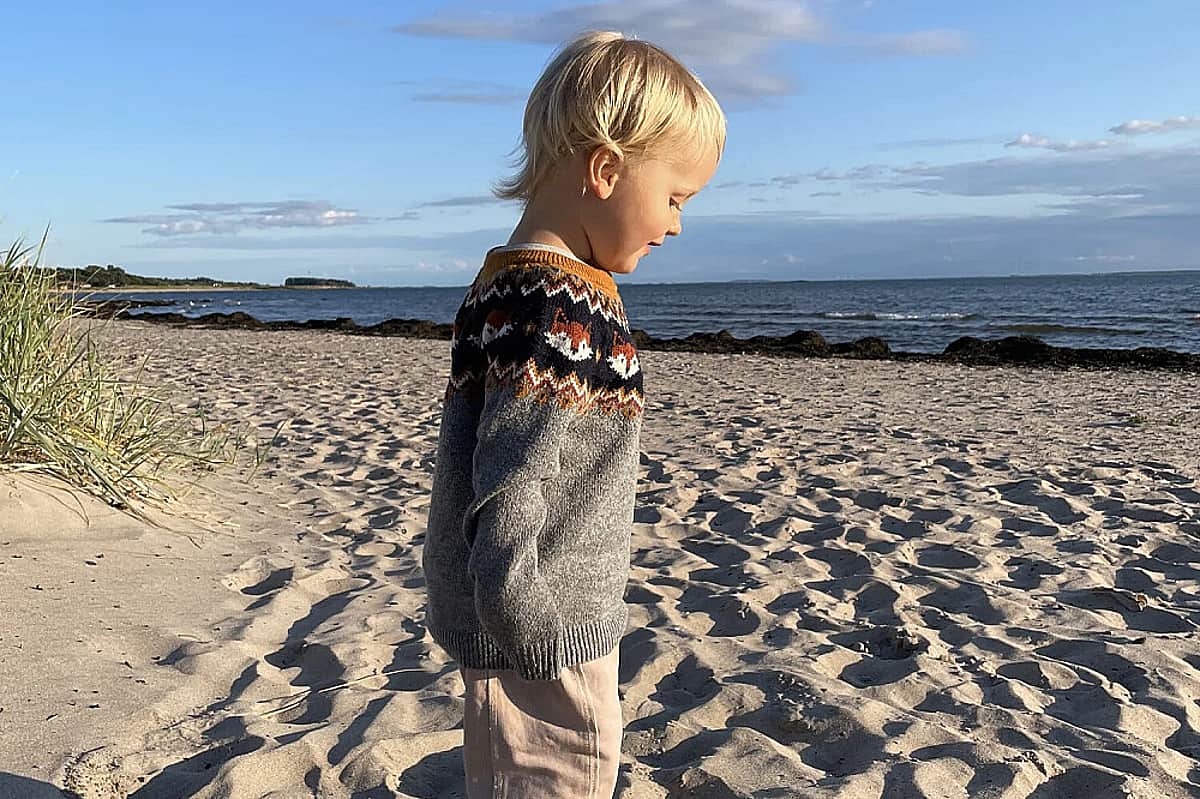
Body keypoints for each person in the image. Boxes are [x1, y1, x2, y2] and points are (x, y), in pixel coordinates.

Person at [422, 30, 724, 798]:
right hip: (540, 619)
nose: (677, 224)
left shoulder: (507, 285)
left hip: (523, 607)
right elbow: (511, 471)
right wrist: (529, 622)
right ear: (605, 168)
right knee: (559, 777)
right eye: (675, 197)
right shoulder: (558, 303)